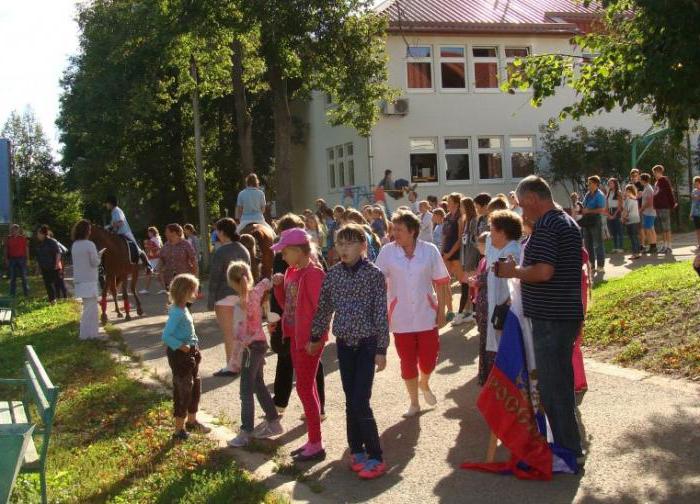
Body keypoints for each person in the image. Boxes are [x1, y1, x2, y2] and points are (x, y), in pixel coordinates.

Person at [496, 175, 585, 462]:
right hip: (562, 314)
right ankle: (569, 446)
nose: (521, 211)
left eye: (522, 204)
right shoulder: (565, 221)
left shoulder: (547, 225)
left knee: (552, 386)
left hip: (551, 317)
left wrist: (514, 272)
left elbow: (544, 272)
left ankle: (567, 451)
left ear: (533, 199)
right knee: (559, 383)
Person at [311, 223, 389, 479]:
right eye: (339, 244)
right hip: (344, 345)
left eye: (349, 243)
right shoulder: (332, 275)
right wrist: (315, 335)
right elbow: (323, 308)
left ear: (363, 246)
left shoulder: (374, 275)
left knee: (360, 400)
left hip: (367, 345)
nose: (343, 249)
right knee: (349, 401)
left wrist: (381, 348)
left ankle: (376, 455)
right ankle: (356, 450)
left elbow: (380, 313)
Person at [376, 211, 449, 418]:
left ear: (413, 231)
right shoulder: (387, 252)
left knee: (429, 359)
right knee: (407, 361)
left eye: (399, 229)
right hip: (401, 316)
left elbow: (442, 282)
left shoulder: (430, 250)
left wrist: (442, 311)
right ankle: (414, 403)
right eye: (393, 229)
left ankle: (424, 382)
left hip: (427, 314)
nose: (394, 233)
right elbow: (376, 281)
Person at [272, 228, 327, 462]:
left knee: (304, 388)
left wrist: (316, 338)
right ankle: (314, 440)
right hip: (295, 337)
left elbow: (322, 311)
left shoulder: (314, 274)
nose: (282, 257)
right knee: (307, 386)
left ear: (298, 250)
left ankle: (316, 443)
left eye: (284, 252)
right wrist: (277, 286)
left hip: (309, 341)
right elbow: (288, 305)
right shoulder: (292, 272)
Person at [226, 262, 285, 447]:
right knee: (258, 384)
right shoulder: (256, 292)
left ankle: (246, 432)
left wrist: (235, 357)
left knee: (246, 390)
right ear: (249, 277)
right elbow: (267, 282)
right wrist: (275, 279)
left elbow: (239, 335)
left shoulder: (239, 304)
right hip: (260, 345)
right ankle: (273, 421)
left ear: (233, 283)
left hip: (251, 348)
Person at [161, 273, 211, 441]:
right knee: (183, 389)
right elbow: (167, 336)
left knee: (194, 385)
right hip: (181, 356)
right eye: (194, 290)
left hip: (190, 353)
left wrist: (194, 348)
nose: (196, 294)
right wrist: (182, 347)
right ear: (185, 291)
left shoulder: (183, 309)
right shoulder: (177, 313)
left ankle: (192, 420)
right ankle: (178, 429)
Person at [207, 218, 251, 377]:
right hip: (241, 295)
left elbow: (215, 277)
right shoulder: (244, 249)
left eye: (217, 230)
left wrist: (210, 300)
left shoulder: (221, 251)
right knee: (241, 332)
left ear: (221, 232)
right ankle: (242, 363)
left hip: (224, 297)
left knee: (229, 334)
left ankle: (231, 366)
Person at [485, 210, 522, 362]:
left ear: (502, 232)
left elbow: (513, 278)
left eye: (492, 230)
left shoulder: (511, 252)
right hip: (499, 311)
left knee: (510, 356)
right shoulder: (500, 250)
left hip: (508, 313)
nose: (489, 234)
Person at [71, 220, 104, 340]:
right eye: (89, 229)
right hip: (89, 281)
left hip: (79, 281)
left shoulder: (75, 245)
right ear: (86, 231)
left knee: (88, 308)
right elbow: (94, 263)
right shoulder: (90, 244)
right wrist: (99, 255)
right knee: (91, 310)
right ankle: (87, 335)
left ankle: (89, 335)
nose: (90, 231)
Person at [104, 195, 152, 271]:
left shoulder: (117, 210)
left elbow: (121, 222)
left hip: (125, 233)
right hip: (118, 234)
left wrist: (110, 226)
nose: (106, 205)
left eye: (106, 203)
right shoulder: (113, 212)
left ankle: (148, 265)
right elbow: (115, 227)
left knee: (137, 249)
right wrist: (110, 228)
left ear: (110, 203)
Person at [468, 232, 490, 385]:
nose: (477, 246)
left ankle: (487, 375)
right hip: (481, 303)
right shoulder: (483, 260)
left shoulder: (490, 260)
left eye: (480, 244)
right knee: (483, 339)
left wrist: (475, 281)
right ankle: (484, 373)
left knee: (487, 340)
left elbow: (485, 278)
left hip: (487, 304)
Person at [441, 193, 464, 321]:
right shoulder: (447, 217)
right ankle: (449, 310)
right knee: (445, 281)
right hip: (447, 252)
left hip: (456, 253)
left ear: (456, 203)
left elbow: (460, 239)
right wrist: (443, 251)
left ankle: (468, 310)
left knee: (462, 281)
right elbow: (444, 236)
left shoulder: (460, 217)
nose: (447, 203)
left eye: (449, 201)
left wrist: (450, 253)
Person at [159, 224, 198, 290]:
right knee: (172, 299)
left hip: (184, 278)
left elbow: (193, 260)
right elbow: (161, 260)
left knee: (184, 299)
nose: (165, 234)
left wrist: (195, 277)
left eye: (167, 232)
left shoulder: (185, 244)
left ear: (174, 233)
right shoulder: (165, 246)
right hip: (169, 279)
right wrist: (159, 272)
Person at [581, 176, 607, 272]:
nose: (588, 185)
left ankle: (601, 265)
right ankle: (591, 265)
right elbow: (584, 205)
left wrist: (589, 210)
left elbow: (602, 209)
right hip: (587, 221)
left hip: (595, 220)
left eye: (590, 183)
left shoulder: (599, 195)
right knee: (588, 244)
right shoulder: (588, 194)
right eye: (588, 183)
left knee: (598, 243)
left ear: (596, 184)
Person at [652, 165, 677, 254]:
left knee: (666, 227)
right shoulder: (657, 182)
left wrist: (672, 203)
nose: (654, 174)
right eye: (653, 172)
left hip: (664, 207)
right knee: (662, 228)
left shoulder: (664, 180)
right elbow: (655, 195)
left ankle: (669, 246)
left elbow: (669, 192)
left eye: (655, 172)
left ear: (659, 171)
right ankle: (664, 245)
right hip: (658, 208)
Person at [36, 225, 62, 304]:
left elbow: (58, 252)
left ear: (42, 234)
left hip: (52, 266)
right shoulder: (41, 243)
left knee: (54, 283)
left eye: (38, 233)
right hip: (44, 266)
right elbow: (39, 256)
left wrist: (57, 263)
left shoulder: (51, 241)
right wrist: (38, 268)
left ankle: (56, 299)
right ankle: (52, 300)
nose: (37, 235)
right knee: (48, 283)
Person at [5, 224, 29, 297]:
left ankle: (26, 294)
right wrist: (6, 259)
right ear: (11, 230)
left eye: (15, 229)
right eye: (12, 229)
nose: (14, 231)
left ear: (18, 230)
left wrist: (28, 259)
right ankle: (12, 294)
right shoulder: (8, 238)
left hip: (22, 259)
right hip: (12, 259)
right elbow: (6, 249)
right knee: (13, 278)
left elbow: (27, 249)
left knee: (24, 277)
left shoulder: (23, 238)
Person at [141, 227, 165, 294]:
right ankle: (164, 289)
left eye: (149, 232)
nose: (148, 234)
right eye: (148, 232)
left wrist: (150, 248)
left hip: (154, 259)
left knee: (150, 273)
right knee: (159, 274)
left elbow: (159, 247)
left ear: (153, 232)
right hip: (154, 258)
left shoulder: (154, 239)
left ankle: (146, 289)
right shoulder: (156, 238)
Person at [640, 173, 658, 254]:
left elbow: (650, 201)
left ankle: (652, 246)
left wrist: (642, 208)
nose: (640, 181)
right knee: (651, 229)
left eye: (641, 179)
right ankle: (653, 246)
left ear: (643, 180)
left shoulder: (648, 188)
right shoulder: (647, 188)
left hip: (649, 212)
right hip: (649, 212)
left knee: (648, 229)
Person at [622, 185, 642, 259]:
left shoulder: (630, 200)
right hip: (635, 220)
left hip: (631, 220)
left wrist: (623, 218)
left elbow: (626, 211)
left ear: (631, 192)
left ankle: (635, 253)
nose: (626, 192)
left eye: (628, 191)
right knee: (634, 237)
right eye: (626, 191)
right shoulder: (633, 199)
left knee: (632, 237)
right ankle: (637, 252)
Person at [605, 178, 624, 253]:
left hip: (617, 212)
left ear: (615, 184)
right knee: (613, 231)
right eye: (609, 183)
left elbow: (620, 205)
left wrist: (615, 214)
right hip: (610, 212)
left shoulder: (618, 192)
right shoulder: (609, 192)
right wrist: (608, 214)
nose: (610, 185)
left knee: (619, 230)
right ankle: (615, 247)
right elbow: (606, 204)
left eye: (611, 183)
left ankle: (621, 247)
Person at [691, 176, 700, 249]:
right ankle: (699, 243)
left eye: (697, 183)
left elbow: (697, 198)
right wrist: (691, 213)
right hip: (695, 213)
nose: (696, 185)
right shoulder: (694, 191)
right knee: (697, 229)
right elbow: (693, 203)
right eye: (695, 184)